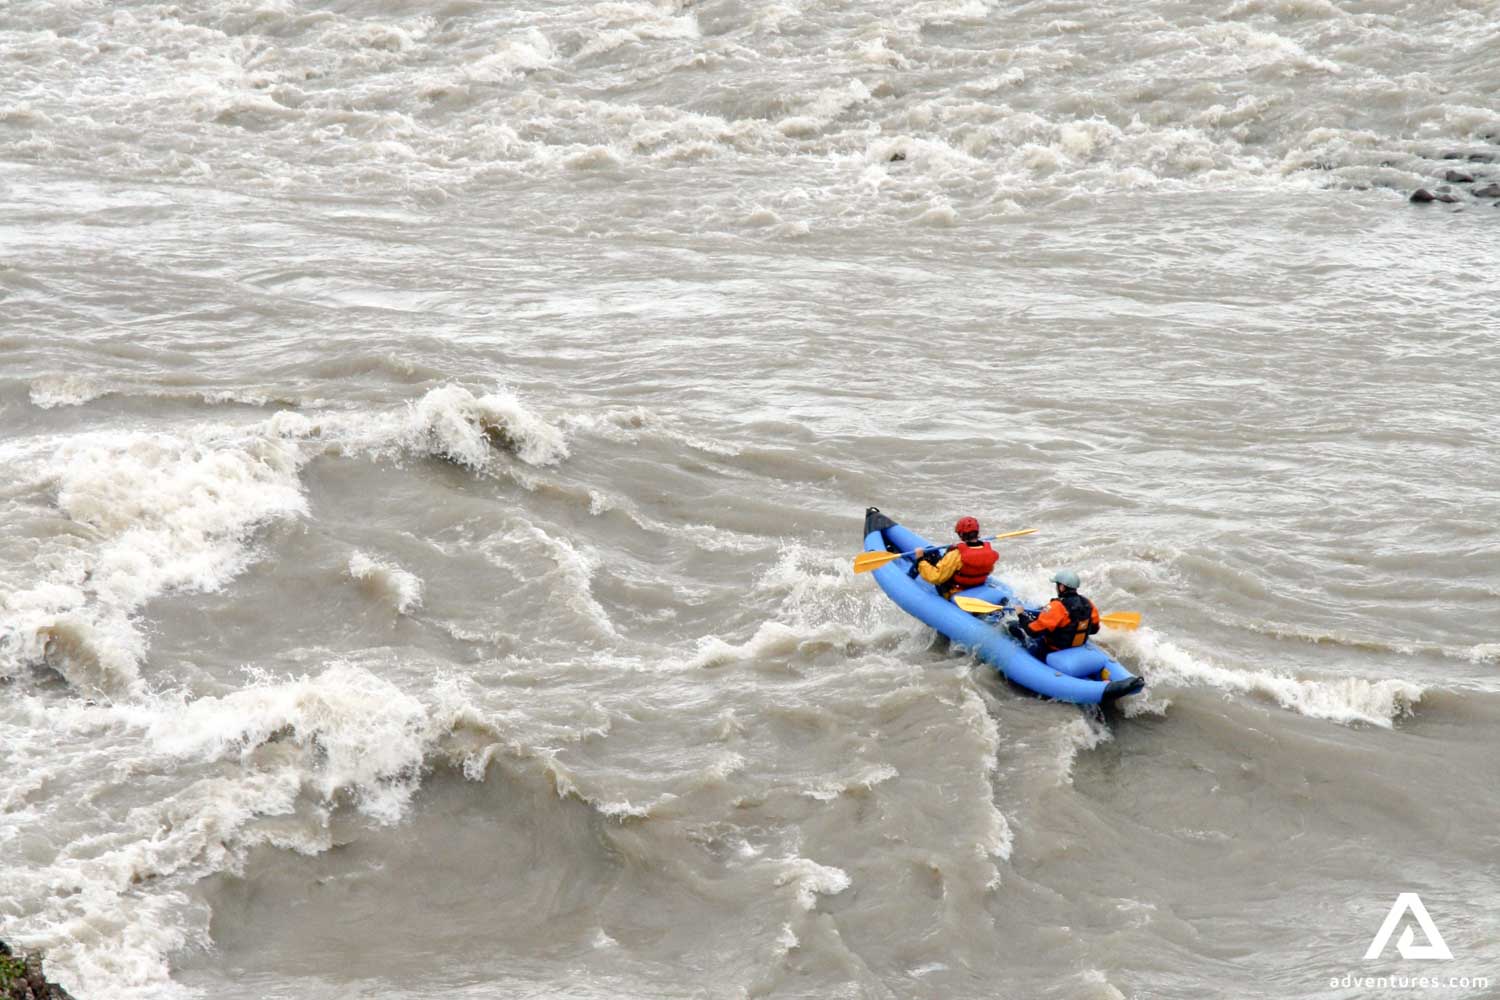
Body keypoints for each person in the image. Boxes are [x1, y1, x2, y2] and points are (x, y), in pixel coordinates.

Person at [1009, 570, 1100, 655]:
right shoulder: (1088, 603)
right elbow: (1094, 629)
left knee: (1013, 626)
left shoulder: (1057, 606)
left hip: (1055, 649)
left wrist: (1021, 615)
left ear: (1062, 587)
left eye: (1057, 585)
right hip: (1077, 645)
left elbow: (1033, 632)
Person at [908, 516, 999, 599]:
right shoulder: (989, 551)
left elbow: (936, 577)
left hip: (955, 591)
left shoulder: (956, 555)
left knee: (927, 555)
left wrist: (920, 560)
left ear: (961, 535)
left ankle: (908, 579)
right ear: (977, 533)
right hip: (976, 585)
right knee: (932, 551)